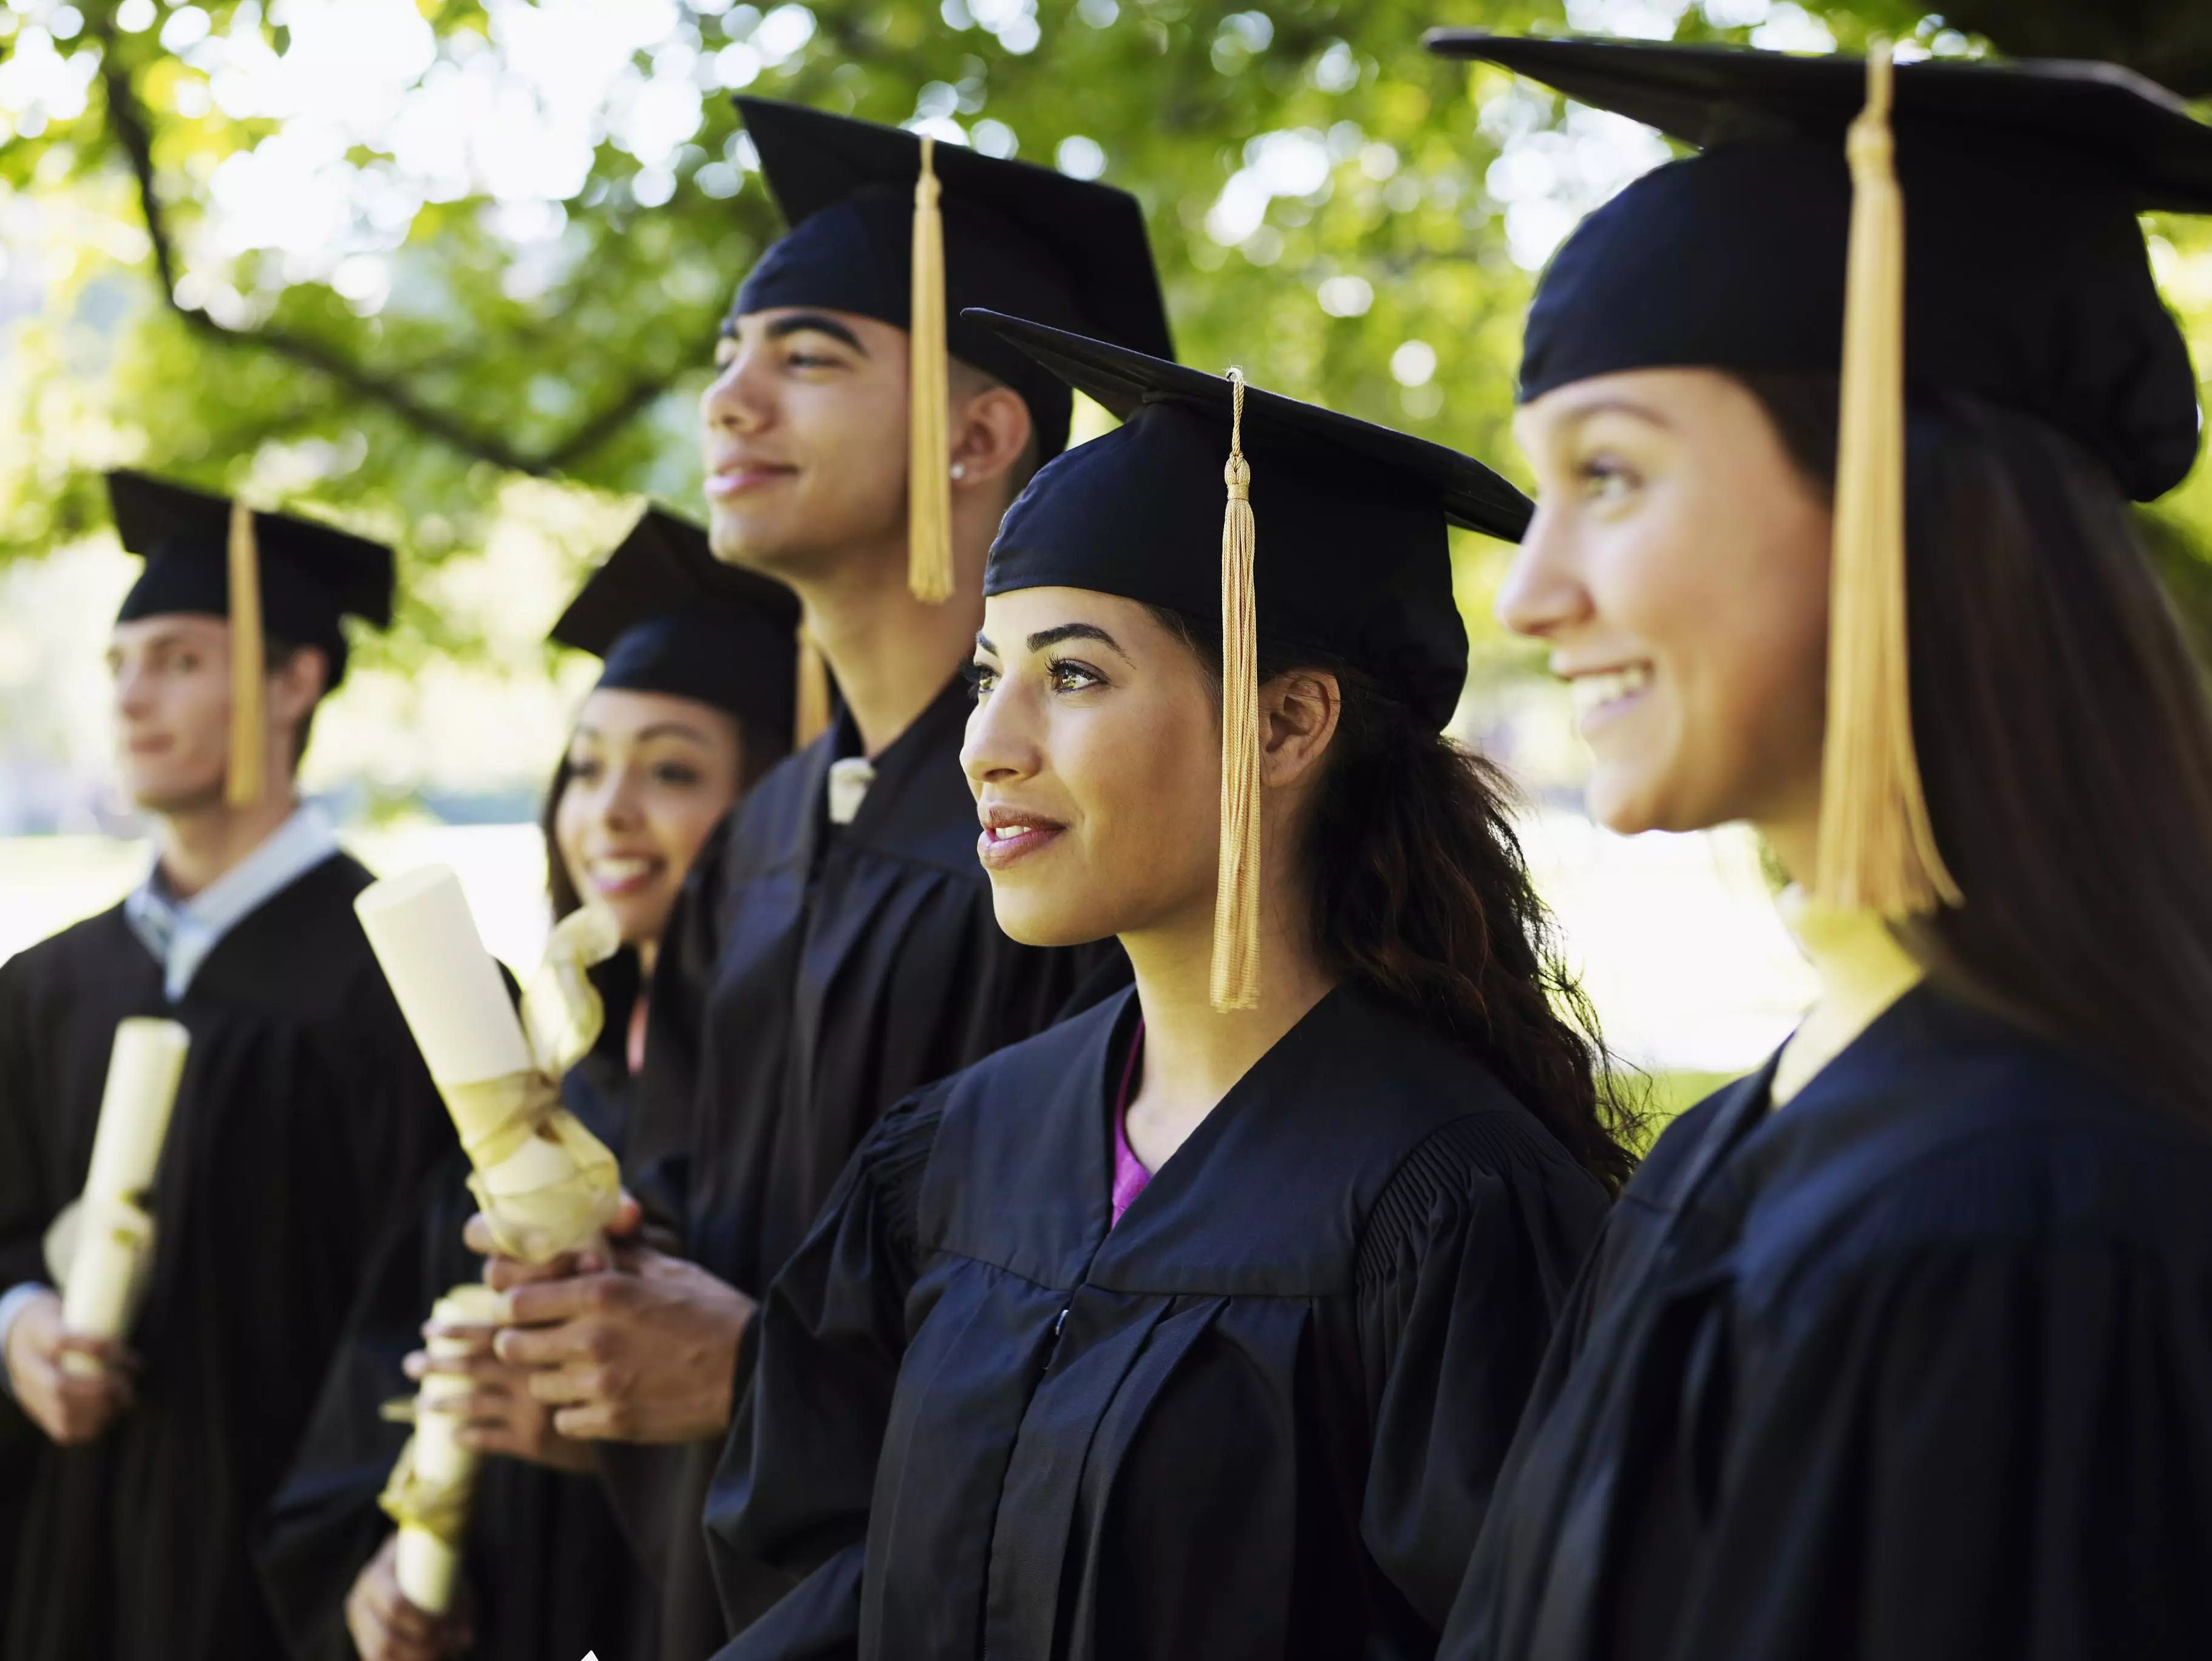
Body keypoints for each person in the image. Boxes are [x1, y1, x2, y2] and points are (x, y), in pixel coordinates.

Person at [1418, 32, 2212, 1660]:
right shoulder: (1773, 1129)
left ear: (1891, 509)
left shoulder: (2030, 1216)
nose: (1528, 589)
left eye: (1612, 476)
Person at [701, 315, 1633, 1659]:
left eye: (1071, 673)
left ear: (1287, 721)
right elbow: (811, 1566)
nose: (986, 745)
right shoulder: (957, 1153)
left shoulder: (1450, 1203)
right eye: (987, 675)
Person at [469, 100, 1177, 1657]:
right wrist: (592, 1306)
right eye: (730, 352)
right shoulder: (764, 839)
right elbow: (714, 1235)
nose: (726, 399)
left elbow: (1136, 1329)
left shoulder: (1084, 846)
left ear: (983, 436)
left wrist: (752, 1375)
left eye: (804, 356)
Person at [254, 508, 800, 1661]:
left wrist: (597, 1435)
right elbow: (378, 1390)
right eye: (588, 765)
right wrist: (394, 1568)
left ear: (775, 807)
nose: (609, 809)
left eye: (672, 769)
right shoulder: (543, 1087)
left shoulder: (788, 1098)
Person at [0, 471, 454, 1661]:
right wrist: (17, 1324)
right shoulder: (48, 986)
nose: (134, 699)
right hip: (61, 1567)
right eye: (120, 663)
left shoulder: (414, 986)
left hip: (285, 1591)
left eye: (181, 660)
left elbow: (428, 1310)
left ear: (293, 679)